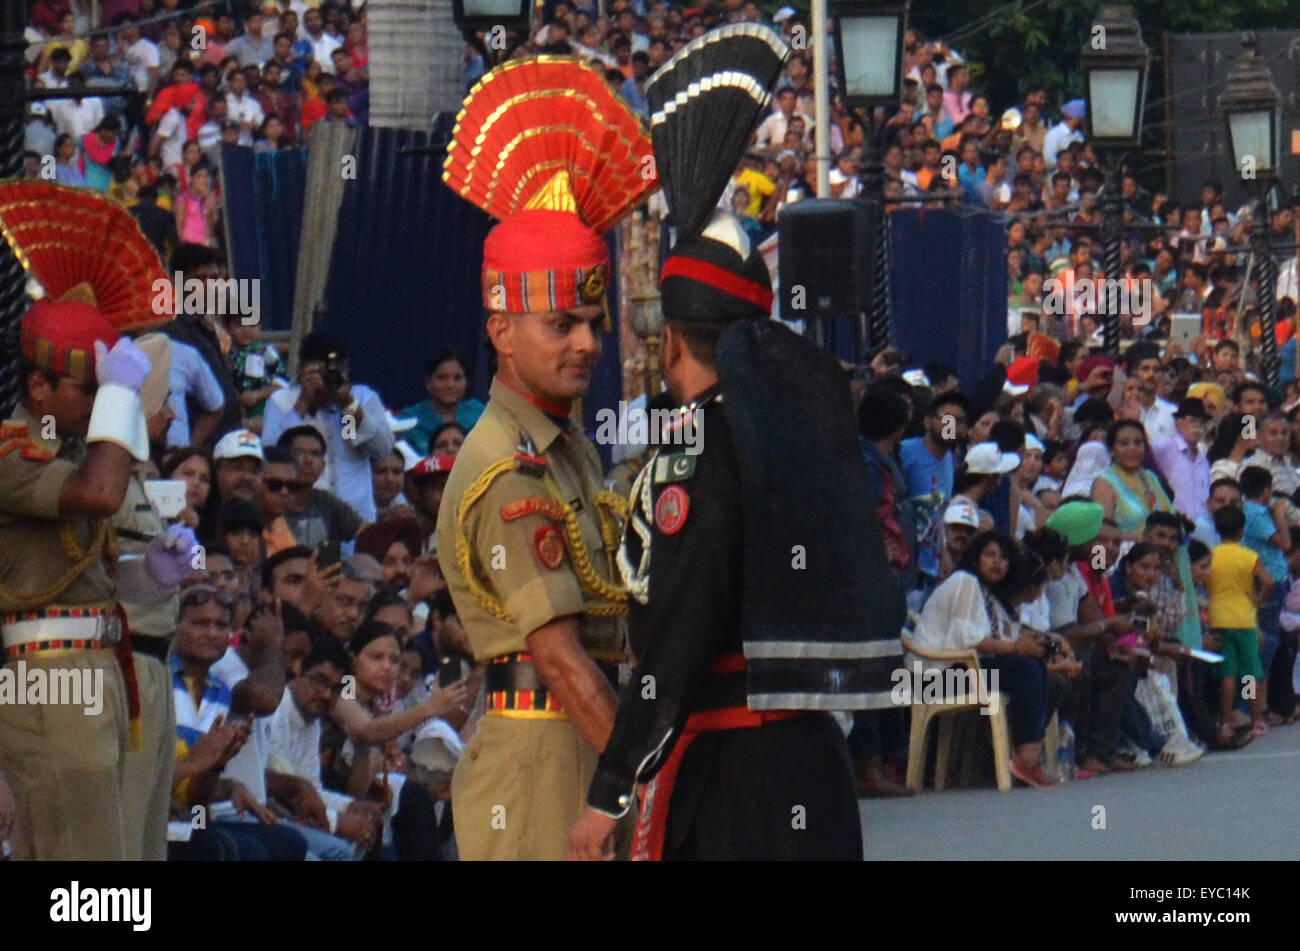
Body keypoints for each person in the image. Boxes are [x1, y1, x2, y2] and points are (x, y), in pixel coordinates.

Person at [571, 29, 879, 860]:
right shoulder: (802, 435)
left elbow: (680, 631)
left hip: (734, 772)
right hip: (815, 765)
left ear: (672, 342)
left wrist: (610, 787)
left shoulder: (698, 452)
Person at [437, 55, 653, 861]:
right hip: (547, 761)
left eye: (593, 320)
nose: (588, 343)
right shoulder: (509, 466)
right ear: (501, 331)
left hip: (576, 749)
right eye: (561, 324)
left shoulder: (566, 450)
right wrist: (648, 779)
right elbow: (560, 659)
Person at [0, 183, 166, 860]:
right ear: (39, 387)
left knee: (120, 869)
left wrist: (149, 573)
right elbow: (97, 494)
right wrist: (123, 399)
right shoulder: (11, 448)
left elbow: (83, 558)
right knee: (78, 872)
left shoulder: (67, 452)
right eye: (87, 388)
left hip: (100, 665)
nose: (98, 402)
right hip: (46, 674)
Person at [908, 531, 1055, 786]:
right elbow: (965, 639)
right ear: (975, 559)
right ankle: (1027, 760)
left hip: (957, 673)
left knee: (1037, 669)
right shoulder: (964, 581)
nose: (998, 562)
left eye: (1004, 558)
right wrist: (1017, 650)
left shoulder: (987, 594)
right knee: (1024, 670)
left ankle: (1027, 755)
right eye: (990, 555)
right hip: (926, 682)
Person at [262, 331, 394, 522]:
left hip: (356, 517)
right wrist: (303, 403)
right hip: (304, 517)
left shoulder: (362, 398)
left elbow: (381, 449)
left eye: (332, 371)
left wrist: (347, 404)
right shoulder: (283, 401)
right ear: (302, 370)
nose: (325, 379)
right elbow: (271, 453)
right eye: (319, 372)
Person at [1208, 504, 1272, 740]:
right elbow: (1268, 581)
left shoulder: (1212, 554)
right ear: (1242, 530)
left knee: (1227, 674)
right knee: (1249, 673)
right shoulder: (1248, 556)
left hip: (1218, 615)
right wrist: (1257, 599)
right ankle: (1255, 720)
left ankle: (1226, 721)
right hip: (1244, 618)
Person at [397, 349, 485, 456]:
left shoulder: (478, 413)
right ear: (428, 383)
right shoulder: (408, 419)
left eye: (457, 378)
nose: (450, 385)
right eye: (442, 378)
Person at [1151, 397, 1211, 521]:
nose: (1197, 426)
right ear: (1178, 423)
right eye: (1192, 420)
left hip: (1201, 527)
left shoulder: (1204, 460)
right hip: (1173, 522)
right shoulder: (1165, 447)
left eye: (1201, 422)